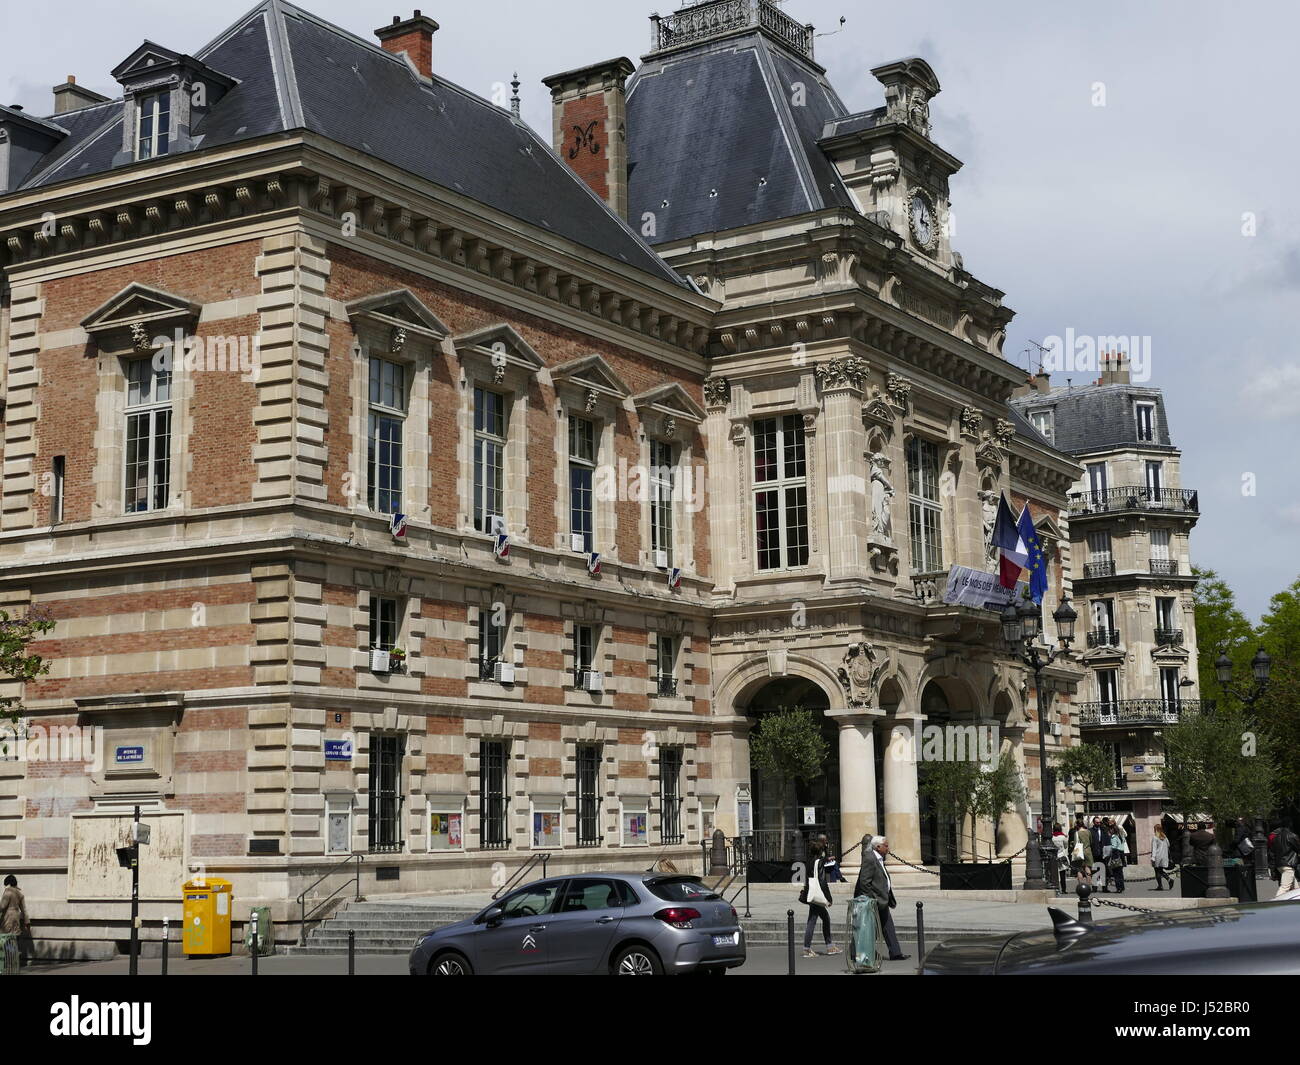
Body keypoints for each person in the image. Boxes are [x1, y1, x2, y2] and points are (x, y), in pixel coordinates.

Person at [853, 835, 908, 962]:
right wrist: (872, 899)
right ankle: (860, 954)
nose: (888, 849)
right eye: (886, 846)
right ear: (878, 847)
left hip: (882, 899)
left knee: (888, 925)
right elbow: (864, 882)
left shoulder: (879, 859)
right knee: (869, 928)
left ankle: (895, 953)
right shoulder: (870, 858)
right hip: (875, 901)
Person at [798, 841, 840, 958]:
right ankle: (809, 948)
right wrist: (828, 898)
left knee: (822, 918)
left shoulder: (809, 862)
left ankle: (829, 946)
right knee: (813, 920)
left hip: (811, 893)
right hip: (817, 894)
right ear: (820, 852)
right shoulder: (819, 862)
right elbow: (822, 881)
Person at [0, 874, 29, 968]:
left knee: (6, 939)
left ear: (8, 883)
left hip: (8, 917)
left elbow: (2, 906)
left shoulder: (8, 892)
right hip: (16, 917)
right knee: (13, 939)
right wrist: (27, 921)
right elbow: (24, 909)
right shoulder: (19, 893)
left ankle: (8, 961)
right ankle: (14, 960)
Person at [1269, 817, 1300, 893]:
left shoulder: (1276, 837)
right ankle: (1276, 903)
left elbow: (1272, 854)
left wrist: (1272, 869)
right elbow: (1298, 848)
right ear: (1290, 825)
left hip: (1280, 865)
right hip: (1288, 865)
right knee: (1284, 887)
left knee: (1296, 889)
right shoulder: (1292, 836)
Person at [1108, 821, 1128, 892]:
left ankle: (1118, 887)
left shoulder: (1113, 837)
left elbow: (1114, 847)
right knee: (1120, 872)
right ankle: (1122, 886)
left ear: (1112, 830)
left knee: (1116, 872)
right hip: (1121, 854)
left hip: (1116, 855)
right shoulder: (1120, 836)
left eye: (1110, 829)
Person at [1071, 818, 1093, 885]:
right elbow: (1091, 841)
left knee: (1079, 869)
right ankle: (1089, 885)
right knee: (1087, 868)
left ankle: (1081, 886)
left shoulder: (1077, 833)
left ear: (1077, 825)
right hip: (1088, 851)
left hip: (1080, 852)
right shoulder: (1088, 831)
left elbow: (1076, 844)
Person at [1089, 817, 1108, 891]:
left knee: (1103, 869)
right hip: (1094, 852)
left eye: (1099, 822)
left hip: (1103, 852)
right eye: (1097, 822)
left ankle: (1104, 888)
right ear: (1094, 822)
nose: (1099, 824)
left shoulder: (1103, 830)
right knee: (1095, 870)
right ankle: (1094, 887)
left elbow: (1107, 840)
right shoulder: (1090, 831)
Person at [1151, 825, 1173, 890]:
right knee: (1160, 870)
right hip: (1164, 856)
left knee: (1157, 871)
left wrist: (1153, 857)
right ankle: (1166, 882)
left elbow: (1154, 848)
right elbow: (1168, 845)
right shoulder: (1165, 837)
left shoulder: (1155, 837)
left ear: (1156, 830)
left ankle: (1161, 885)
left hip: (1157, 856)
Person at [1052, 823, 1069, 894]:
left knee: (1055, 874)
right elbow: (1065, 846)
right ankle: (1064, 889)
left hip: (1054, 856)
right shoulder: (1063, 837)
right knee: (1062, 874)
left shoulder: (1052, 837)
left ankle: (1056, 888)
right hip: (1062, 856)